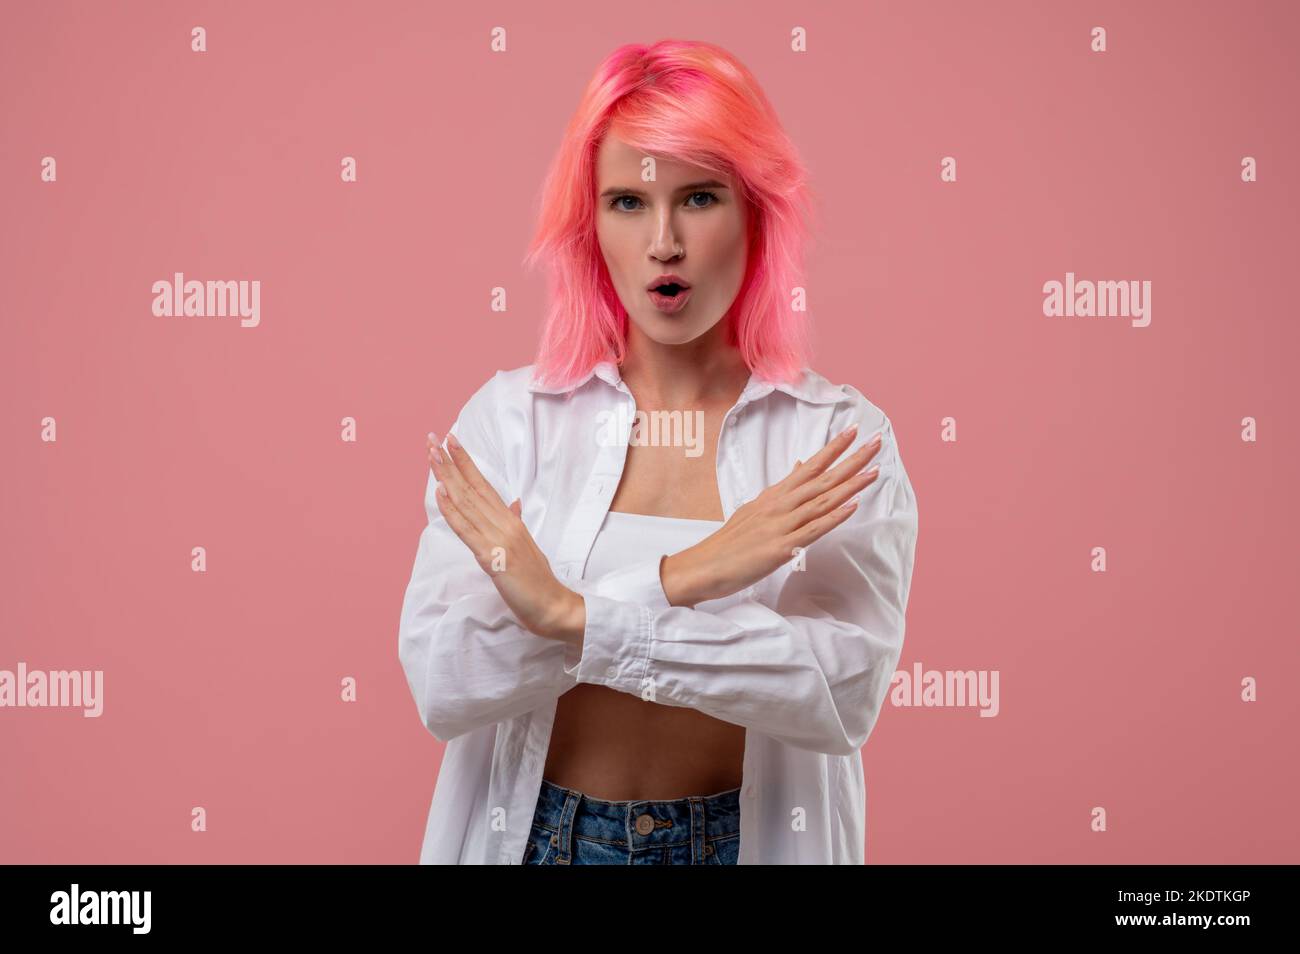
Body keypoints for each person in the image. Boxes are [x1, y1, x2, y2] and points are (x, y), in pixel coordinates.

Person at [398, 39, 919, 865]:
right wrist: (691, 572)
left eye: (700, 198)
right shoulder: (511, 419)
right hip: (542, 843)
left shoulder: (836, 441)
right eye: (628, 203)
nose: (664, 243)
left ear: (755, 211)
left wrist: (569, 613)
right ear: (591, 220)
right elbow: (446, 680)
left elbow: (838, 693)